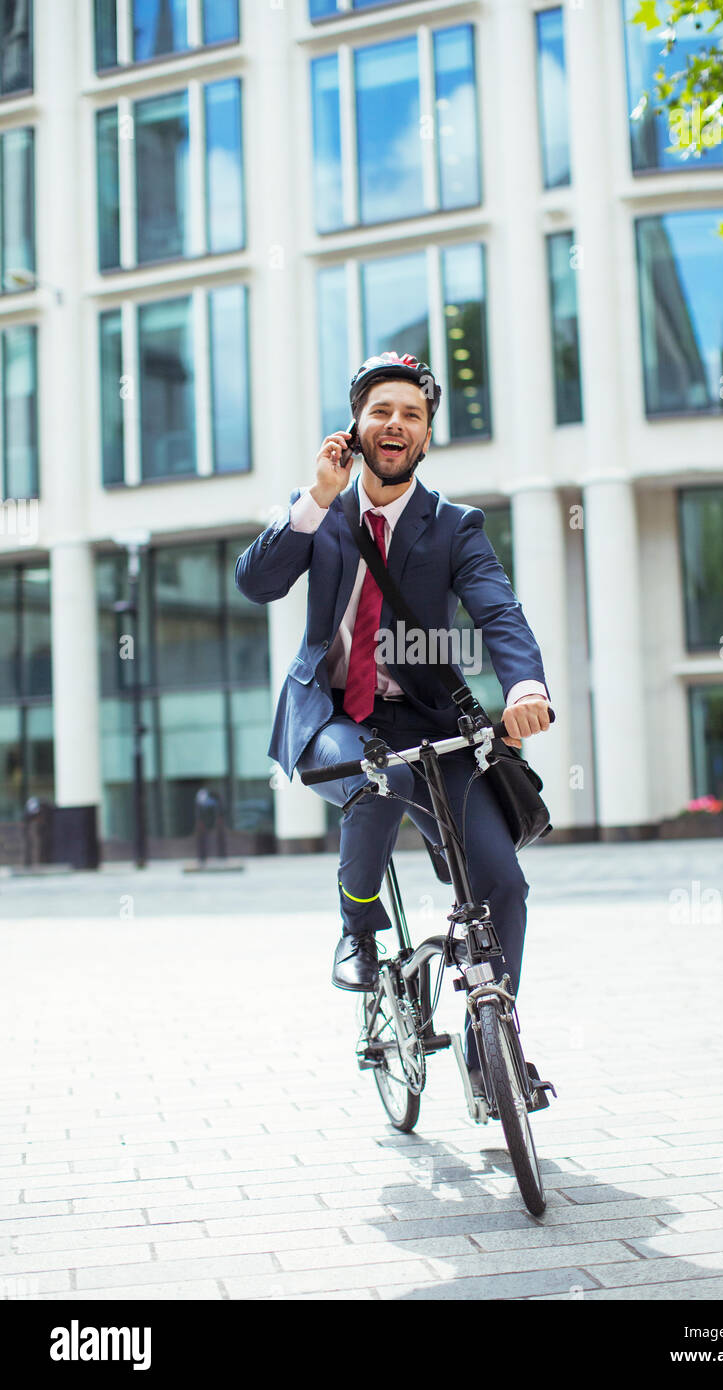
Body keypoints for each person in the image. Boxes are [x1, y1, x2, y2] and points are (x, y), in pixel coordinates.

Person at [234, 352, 553, 1092]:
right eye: (381, 410)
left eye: (411, 414)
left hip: (431, 720)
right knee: (382, 779)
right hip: (334, 717)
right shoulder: (323, 513)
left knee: (502, 884)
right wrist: (312, 498)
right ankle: (359, 928)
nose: (395, 424)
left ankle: (490, 1046)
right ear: (355, 426)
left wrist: (524, 685)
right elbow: (256, 583)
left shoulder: (454, 528)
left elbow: (497, 610)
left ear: (426, 436)